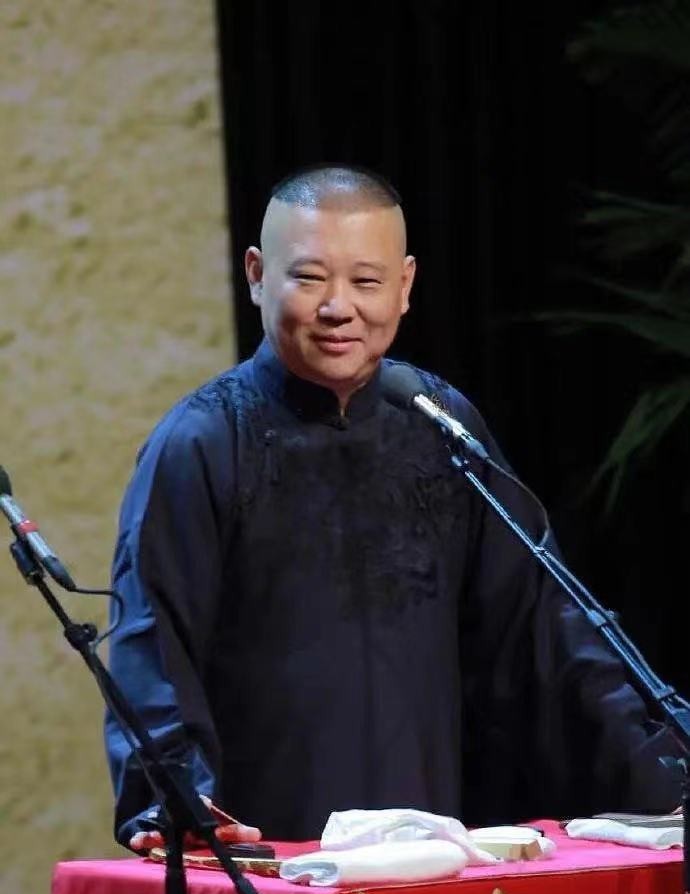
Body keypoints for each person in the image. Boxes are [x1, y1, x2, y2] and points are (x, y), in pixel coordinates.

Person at [106, 164, 681, 852]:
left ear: (405, 287)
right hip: (271, 857)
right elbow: (153, 642)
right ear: (257, 275)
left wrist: (664, 770)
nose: (338, 306)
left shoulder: (440, 424)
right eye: (310, 278)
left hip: (435, 849)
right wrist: (180, 802)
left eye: (367, 282)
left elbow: (544, 630)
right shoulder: (203, 441)